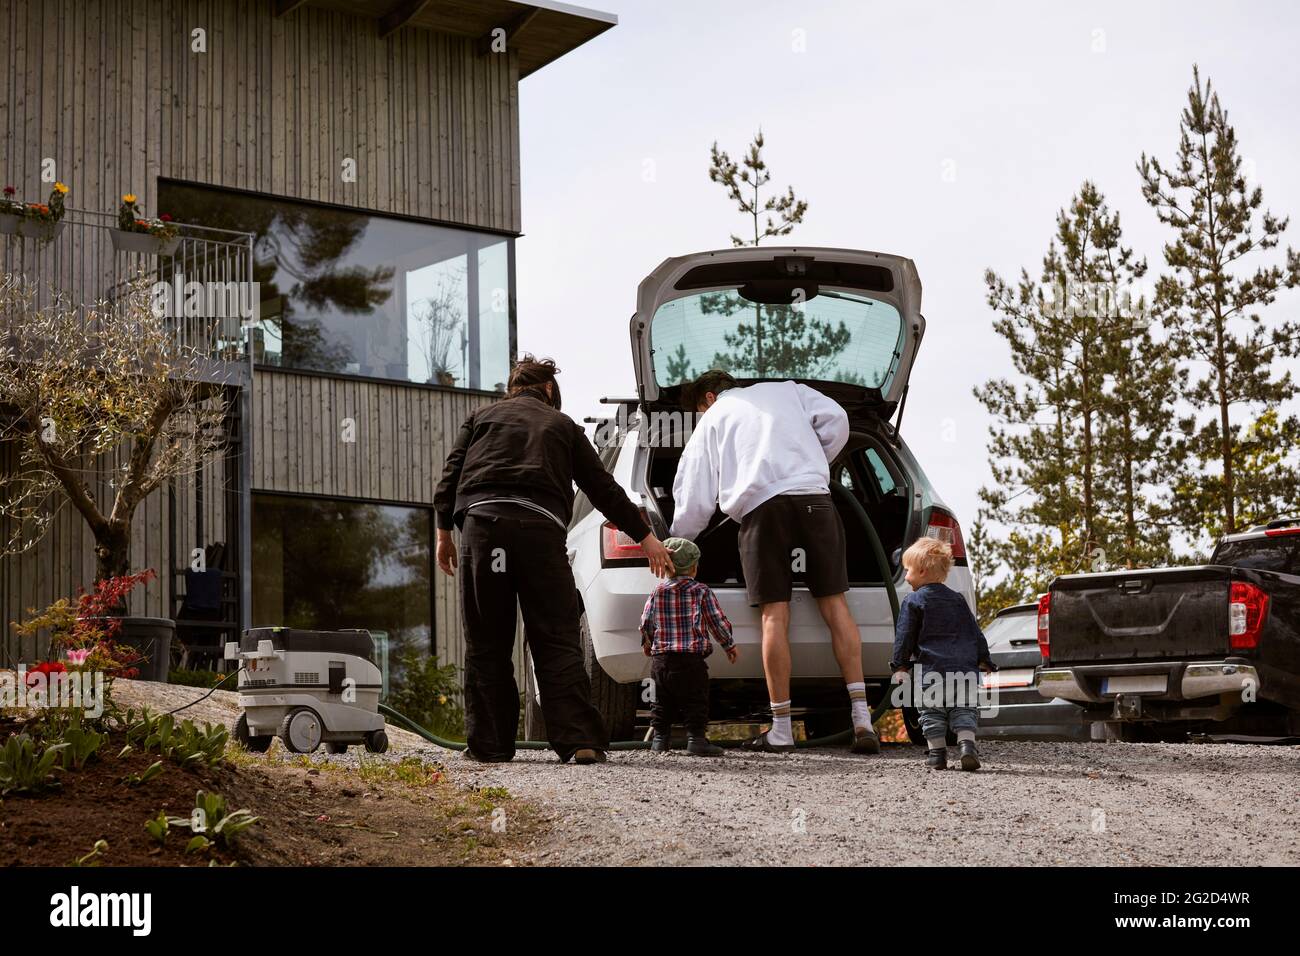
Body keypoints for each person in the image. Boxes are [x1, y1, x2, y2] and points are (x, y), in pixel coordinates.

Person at [434, 355, 673, 765]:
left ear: (513, 388)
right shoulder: (562, 426)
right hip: (538, 532)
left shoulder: (480, 418)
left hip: (483, 528)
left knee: (486, 641)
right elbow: (602, 487)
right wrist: (647, 537)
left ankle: (490, 747)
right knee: (556, 637)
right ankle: (580, 741)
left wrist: (443, 533)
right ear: (548, 389)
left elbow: (450, 476)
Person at [671, 369, 880, 755]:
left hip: (763, 510)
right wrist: (813, 461)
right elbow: (837, 419)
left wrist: (680, 539)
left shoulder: (716, 415)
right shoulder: (790, 391)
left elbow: (695, 489)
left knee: (774, 615)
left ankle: (781, 729)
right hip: (816, 498)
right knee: (835, 606)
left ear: (708, 399)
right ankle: (862, 719)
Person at [889, 537, 996, 771]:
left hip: (932, 670)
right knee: (965, 708)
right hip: (964, 670)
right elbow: (974, 631)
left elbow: (905, 635)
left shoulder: (914, 600)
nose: (905, 575)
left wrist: (900, 665)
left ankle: (937, 754)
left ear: (922, 571)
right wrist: (984, 659)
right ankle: (967, 746)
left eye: (907, 570)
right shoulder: (958, 599)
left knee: (932, 711)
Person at [639, 537, 739, 757]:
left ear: (665, 567)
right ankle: (696, 739)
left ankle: (659, 740)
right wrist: (728, 645)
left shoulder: (657, 592)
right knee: (695, 700)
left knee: (661, 702)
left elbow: (646, 621)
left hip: (661, 660)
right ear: (694, 567)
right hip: (690, 661)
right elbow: (717, 622)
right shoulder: (701, 591)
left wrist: (648, 643)